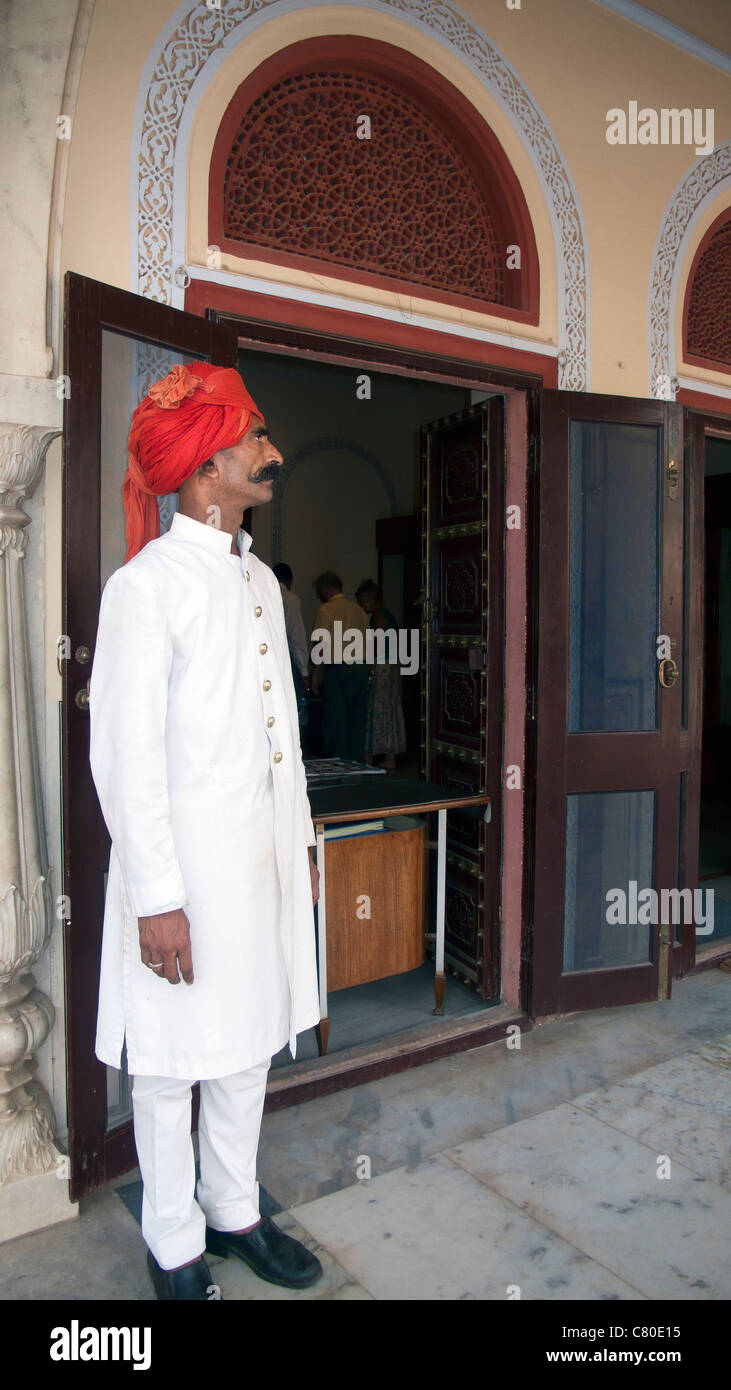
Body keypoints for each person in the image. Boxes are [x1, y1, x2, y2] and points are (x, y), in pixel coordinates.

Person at [89, 360, 323, 1301]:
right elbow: (125, 755)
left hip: (255, 873)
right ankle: (174, 1242)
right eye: (253, 437)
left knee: (244, 1047)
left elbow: (280, 743)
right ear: (202, 470)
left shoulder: (258, 579)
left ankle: (233, 1210)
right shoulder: (144, 588)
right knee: (169, 1063)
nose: (271, 451)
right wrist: (157, 899)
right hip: (180, 882)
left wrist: (297, 851)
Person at [311, 571, 370, 762]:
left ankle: (340, 765)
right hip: (361, 668)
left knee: (337, 722)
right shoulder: (359, 611)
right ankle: (357, 764)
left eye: (319, 592)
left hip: (338, 669)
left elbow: (321, 643)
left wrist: (316, 673)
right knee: (357, 722)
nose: (319, 596)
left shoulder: (325, 610)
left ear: (326, 589)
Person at [356, 579, 406, 769]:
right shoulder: (388, 615)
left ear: (368, 598)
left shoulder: (378, 617)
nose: (361, 605)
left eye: (362, 601)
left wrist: (367, 661)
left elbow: (376, 644)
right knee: (389, 709)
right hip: (391, 665)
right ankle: (389, 756)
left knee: (375, 709)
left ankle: (369, 756)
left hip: (381, 666)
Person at [272, 561, 309, 703]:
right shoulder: (290, 599)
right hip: (286, 660)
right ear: (289, 580)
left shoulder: (262, 596)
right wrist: (304, 671)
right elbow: (296, 636)